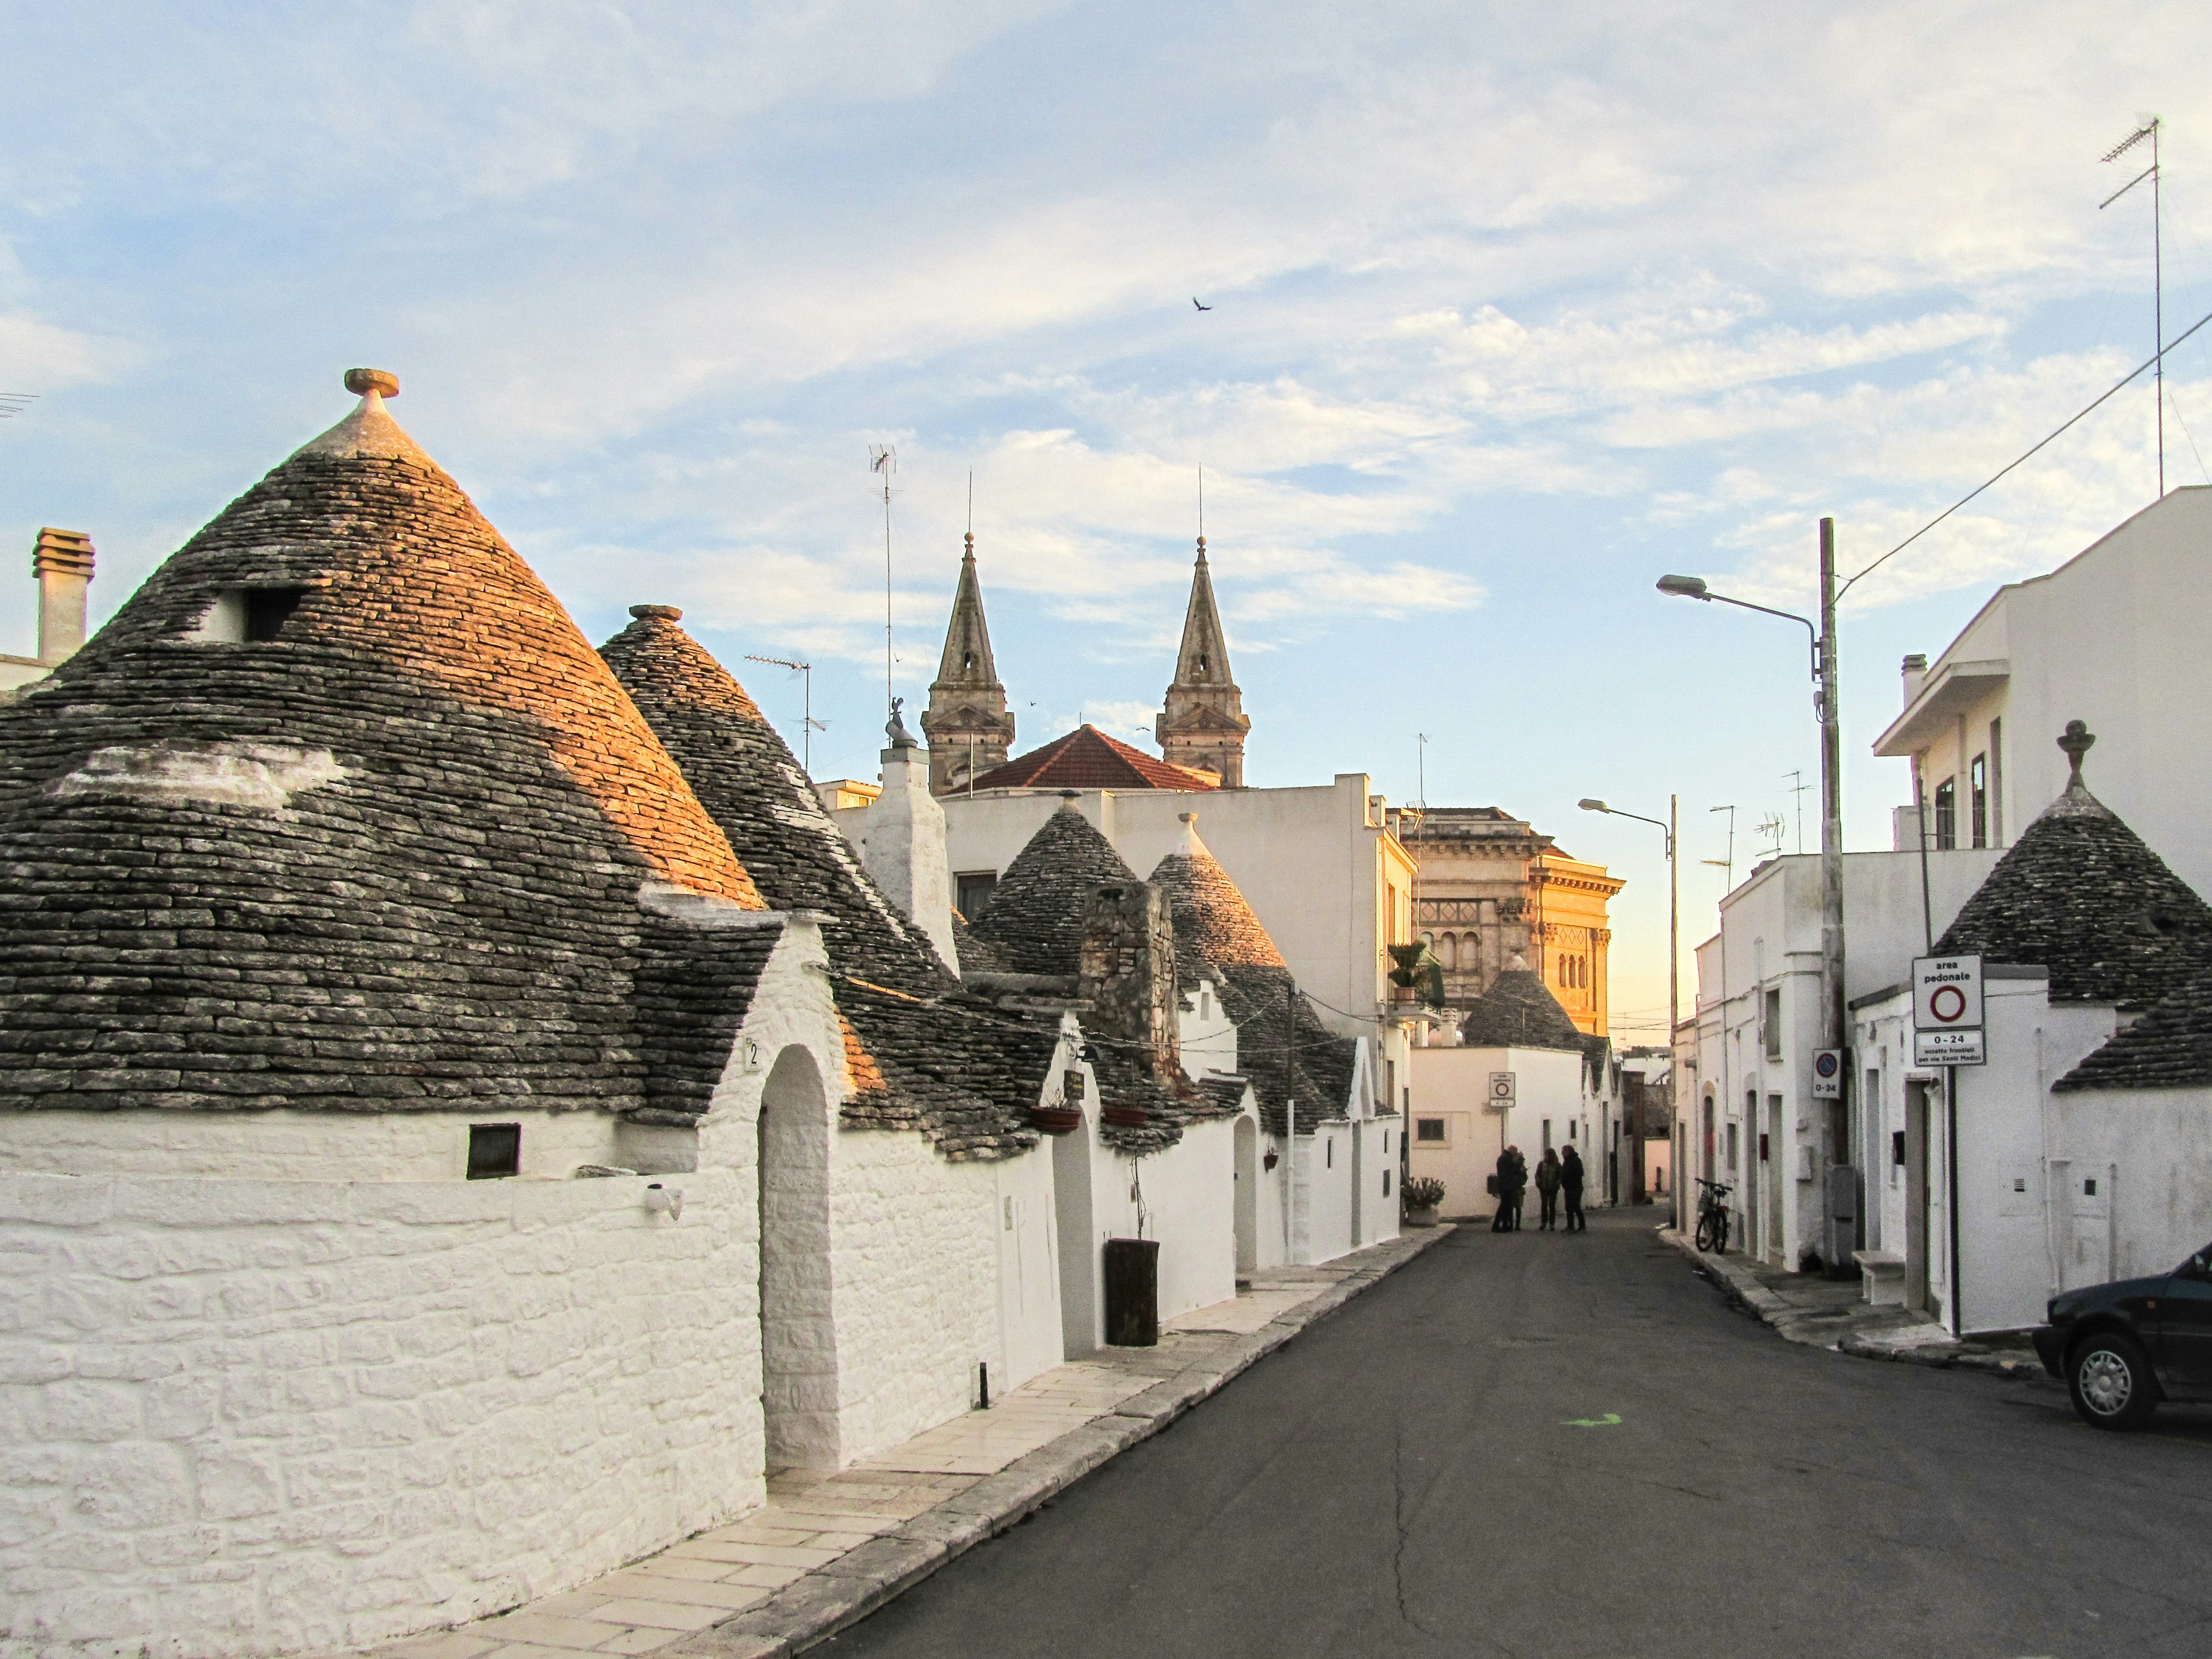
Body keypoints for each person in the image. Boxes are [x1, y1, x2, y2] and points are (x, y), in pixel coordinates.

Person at [1535, 1147, 1562, 1230]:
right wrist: (1538, 1181)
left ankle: (1552, 1223)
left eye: (1548, 1155)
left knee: (1552, 1205)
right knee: (1544, 1205)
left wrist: (1558, 1183)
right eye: (1546, 1155)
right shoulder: (1541, 1164)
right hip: (1543, 1187)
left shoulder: (1557, 1165)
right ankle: (1544, 1222)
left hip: (1553, 1188)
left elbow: (1560, 1176)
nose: (1546, 1157)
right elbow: (1537, 1174)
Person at [1561, 1143, 1586, 1232]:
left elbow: (1580, 1173)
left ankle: (1582, 1226)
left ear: (1568, 1152)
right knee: (1568, 1208)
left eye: (1563, 1152)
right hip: (1568, 1187)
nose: (1562, 1154)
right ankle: (1570, 1226)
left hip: (1576, 1187)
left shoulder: (1576, 1160)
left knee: (1576, 1206)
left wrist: (1570, 1179)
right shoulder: (1566, 1161)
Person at [1492, 1147, 1516, 1232]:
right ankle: (1496, 1225)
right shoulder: (1506, 1158)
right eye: (1515, 1152)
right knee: (1504, 1206)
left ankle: (1505, 1225)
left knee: (1506, 1206)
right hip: (1506, 1186)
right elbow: (1514, 1166)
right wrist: (1519, 1158)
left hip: (1504, 1185)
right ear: (1512, 1151)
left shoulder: (1504, 1157)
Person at [1506, 1144, 1528, 1231]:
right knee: (1512, 1207)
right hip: (1513, 1186)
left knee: (1517, 1207)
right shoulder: (1510, 1161)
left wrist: (1522, 1175)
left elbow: (1524, 1176)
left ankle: (1517, 1225)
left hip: (1517, 1187)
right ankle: (1512, 1225)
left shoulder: (1519, 1161)